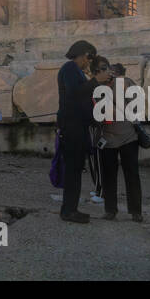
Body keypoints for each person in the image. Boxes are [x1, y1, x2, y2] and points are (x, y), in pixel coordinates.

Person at [90, 56, 142, 222]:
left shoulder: (126, 83)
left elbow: (137, 105)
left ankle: (136, 211)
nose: (104, 72)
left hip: (128, 138)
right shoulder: (95, 87)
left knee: (132, 175)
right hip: (107, 139)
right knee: (108, 176)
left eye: (105, 68)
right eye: (99, 70)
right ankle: (110, 210)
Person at [55, 40, 96, 223]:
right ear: (83, 53)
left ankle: (71, 209)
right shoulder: (70, 68)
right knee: (73, 170)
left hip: (77, 126)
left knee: (76, 169)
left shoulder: (75, 70)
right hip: (72, 127)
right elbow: (74, 93)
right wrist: (95, 81)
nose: (89, 62)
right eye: (90, 57)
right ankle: (68, 211)